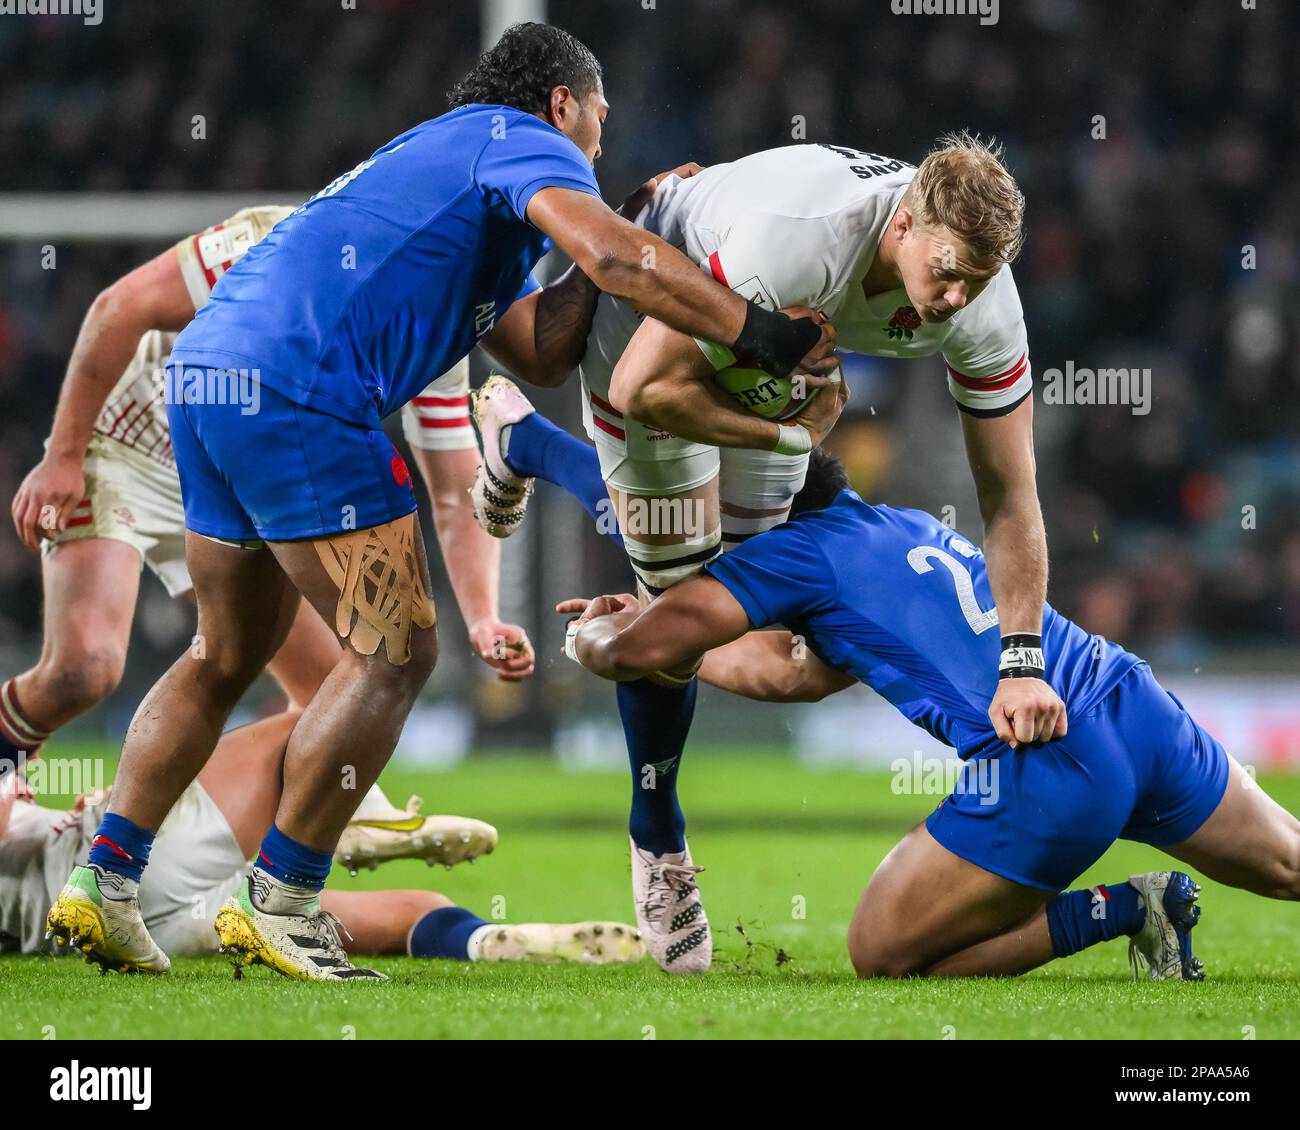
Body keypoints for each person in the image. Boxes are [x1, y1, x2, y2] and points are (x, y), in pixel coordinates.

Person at [48, 21, 835, 981]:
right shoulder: (525, 142)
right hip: (306, 391)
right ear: (561, 103)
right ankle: (285, 899)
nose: (597, 140)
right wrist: (762, 333)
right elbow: (624, 263)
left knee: (224, 655)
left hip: (208, 379)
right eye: (598, 119)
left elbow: (541, 349)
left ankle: (105, 878)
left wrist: (623, 217)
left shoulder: (445, 176)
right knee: (397, 655)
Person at [473, 132, 1060, 973]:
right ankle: (659, 839)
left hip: (770, 348)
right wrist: (792, 435)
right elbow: (650, 387)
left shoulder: (984, 302)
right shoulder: (802, 238)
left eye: (978, 277)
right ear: (905, 224)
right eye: (949, 270)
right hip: (654, 312)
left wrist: (1023, 657)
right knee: (678, 624)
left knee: (751, 635)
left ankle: (531, 453)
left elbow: (1010, 495)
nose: (958, 296)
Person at [559, 449, 1300, 979]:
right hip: (1130, 702)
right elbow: (796, 674)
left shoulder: (789, 551)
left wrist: (596, 631)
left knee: (880, 952)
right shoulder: (898, 523)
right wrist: (657, 622)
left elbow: (630, 656)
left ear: (762, 499)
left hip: (1047, 760)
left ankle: (1120, 910)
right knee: (1291, 864)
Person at [3, 718, 641, 971]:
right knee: (311, 719)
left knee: (414, 912)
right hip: (127, 860)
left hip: (137, 929)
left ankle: (503, 941)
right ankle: (359, 816)